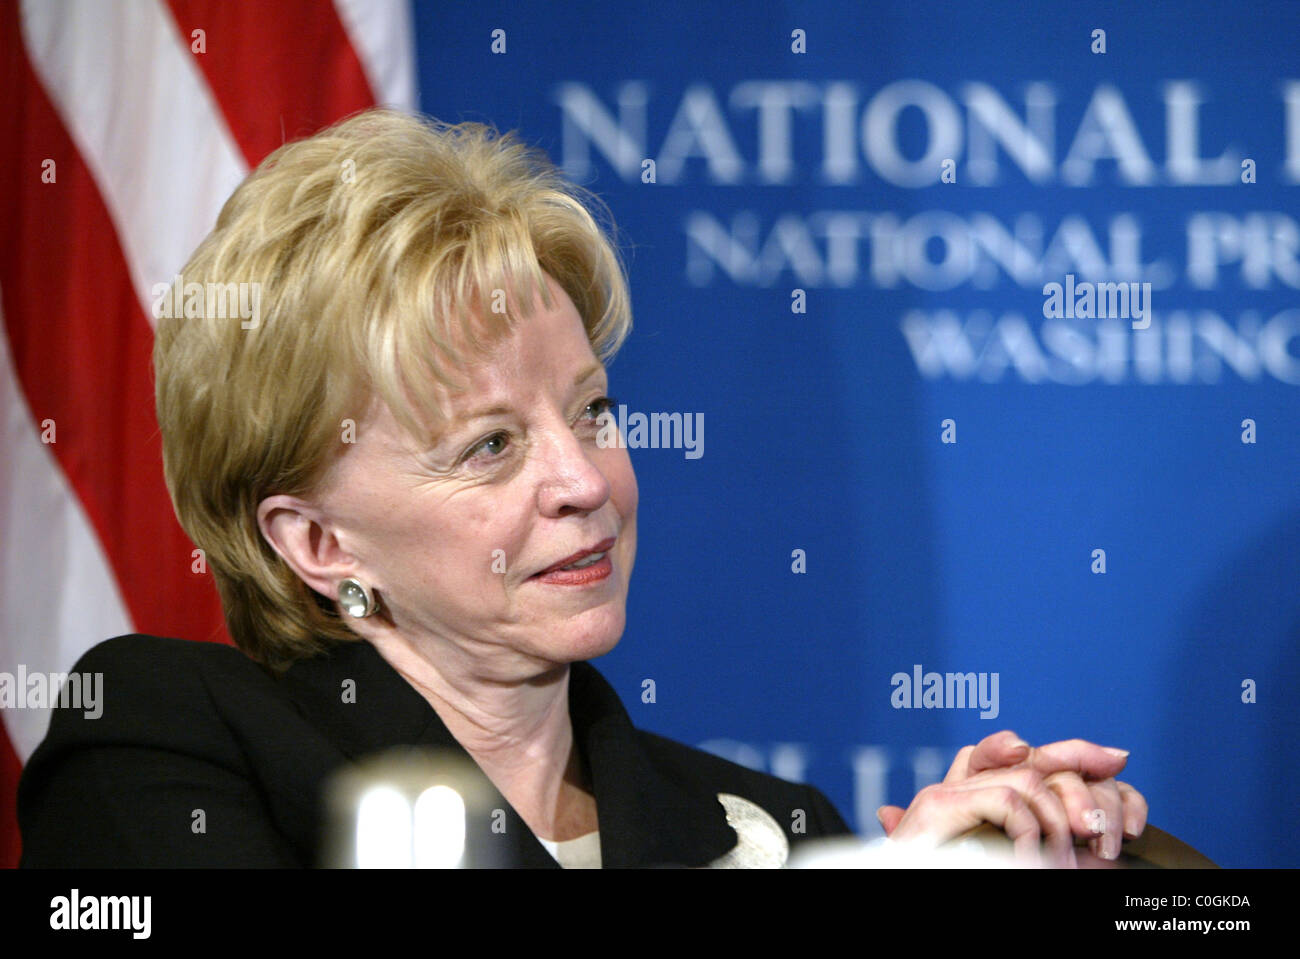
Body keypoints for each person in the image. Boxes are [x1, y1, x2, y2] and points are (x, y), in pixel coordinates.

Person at [18, 109, 1146, 868]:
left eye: (592, 410)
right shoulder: (163, 735)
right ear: (316, 541)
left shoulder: (773, 826)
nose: (584, 478)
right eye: (489, 446)